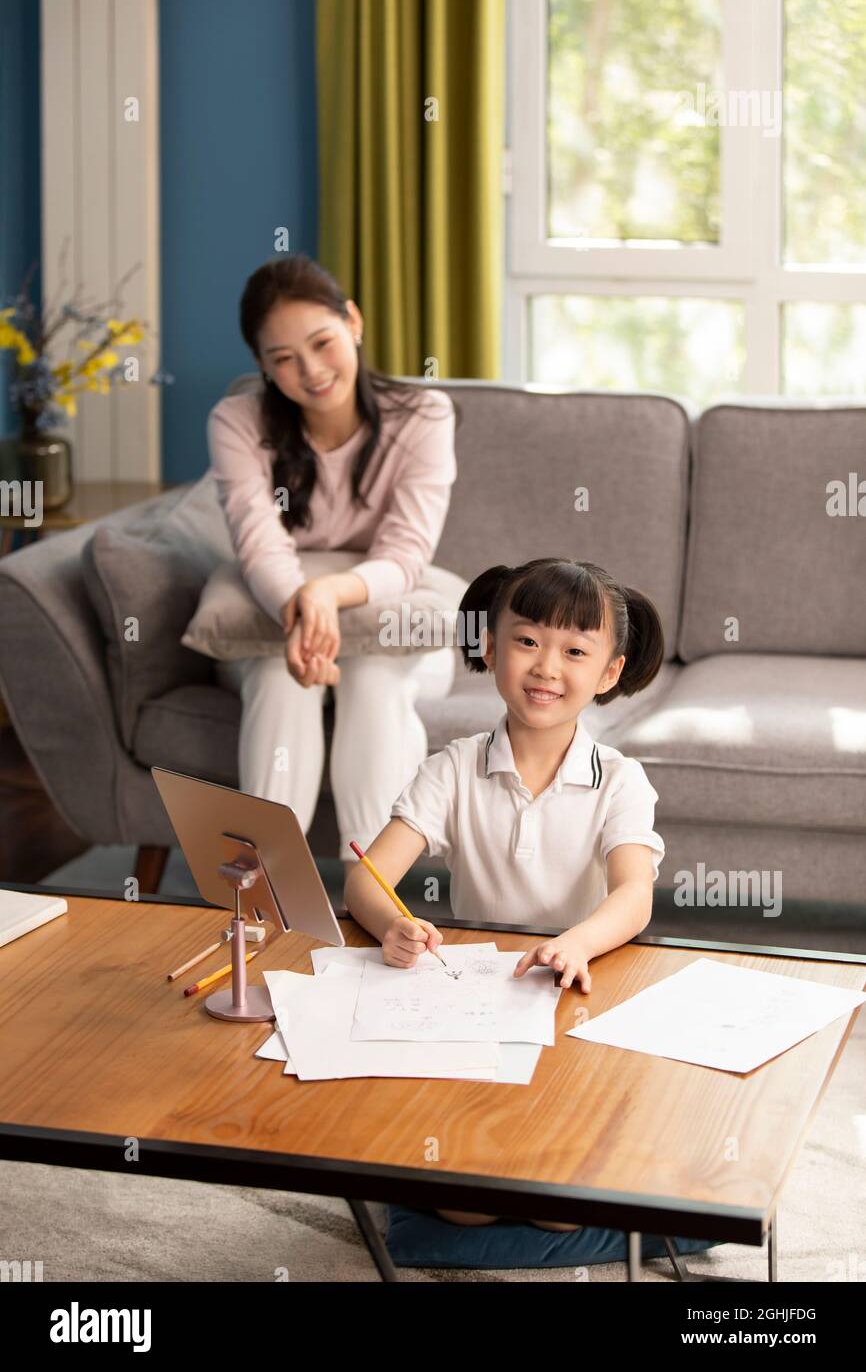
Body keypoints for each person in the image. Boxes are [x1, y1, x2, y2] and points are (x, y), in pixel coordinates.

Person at [344, 556, 666, 1230]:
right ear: (489, 648)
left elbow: (634, 895)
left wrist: (575, 943)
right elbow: (366, 878)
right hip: (476, 1006)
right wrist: (388, 925)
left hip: (579, 999)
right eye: (526, 641)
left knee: (563, 1213)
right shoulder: (452, 768)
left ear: (609, 672)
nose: (547, 667)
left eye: (575, 650)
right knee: (464, 1208)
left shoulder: (620, 780)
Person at [209, 255, 460, 895]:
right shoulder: (237, 423)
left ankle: (371, 893)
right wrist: (299, 609)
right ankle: (263, 894)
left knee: (373, 677)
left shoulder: (424, 416)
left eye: (322, 342)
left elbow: (406, 553)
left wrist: (325, 593)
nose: (312, 371)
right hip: (279, 624)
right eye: (285, 358)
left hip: (386, 626)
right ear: (264, 365)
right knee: (276, 672)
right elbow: (259, 547)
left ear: (354, 322)